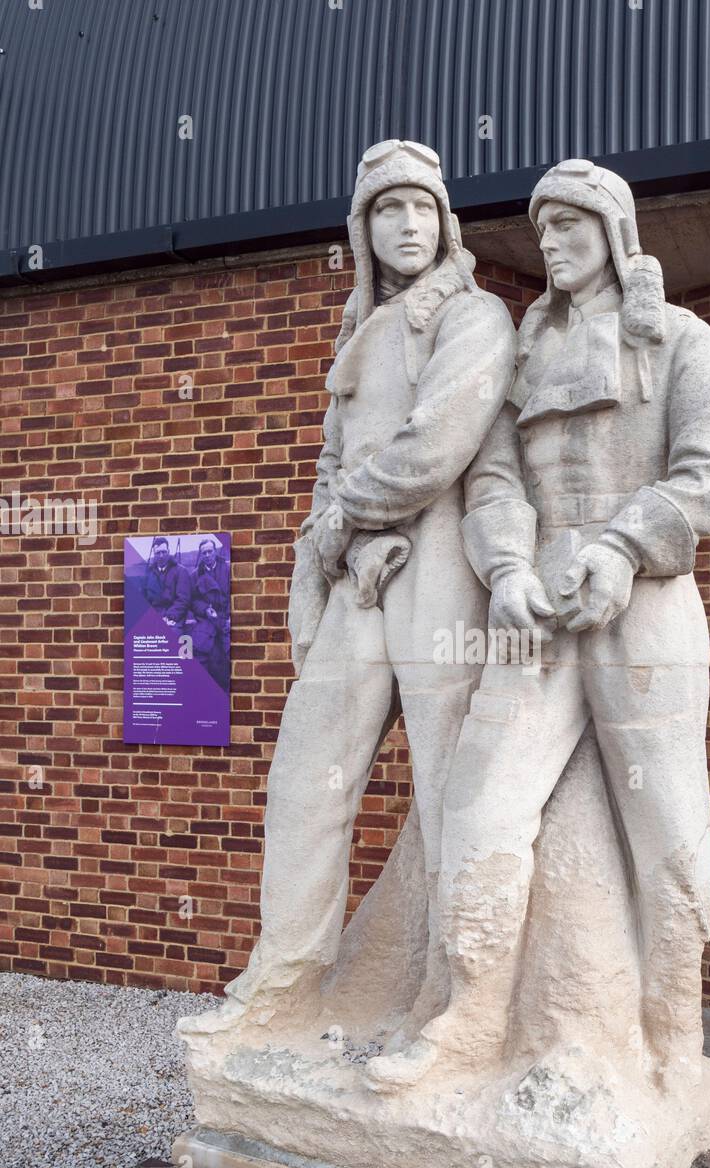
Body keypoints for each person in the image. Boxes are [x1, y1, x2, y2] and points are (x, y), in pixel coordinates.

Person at [367, 158, 710, 1095]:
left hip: (643, 609)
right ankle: (465, 1022)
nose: (553, 247)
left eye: (571, 228)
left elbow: (708, 476)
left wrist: (622, 549)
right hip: (534, 614)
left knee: (664, 822)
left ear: (613, 234)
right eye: (543, 233)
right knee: (480, 805)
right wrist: (501, 569)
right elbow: (494, 479)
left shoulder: (682, 343)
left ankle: (672, 1036)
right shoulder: (525, 358)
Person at [188, 141, 516, 1034]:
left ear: (444, 222)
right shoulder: (358, 327)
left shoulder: (474, 317)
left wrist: (344, 521)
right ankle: (282, 983)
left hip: (441, 572)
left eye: (421, 209)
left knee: (452, 786)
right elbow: (332, 463)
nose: (406, 226)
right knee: (305, 779)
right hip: (358, 584)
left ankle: (457, 1003)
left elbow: (434, 446)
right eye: (386, 210)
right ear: (361, 227)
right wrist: (327, 542)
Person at [188, 537, 231, 690]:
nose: (207, 555)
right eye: (204, 553)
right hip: (207, 620)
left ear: (215, 552)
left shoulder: (227, 570)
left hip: (226, 617)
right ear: (201, 555)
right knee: (201, 650)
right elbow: (193, 601)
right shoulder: (195, 576)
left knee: (228, 651)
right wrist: (205, 609)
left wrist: (231, 616)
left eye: (210, 551)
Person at [143, 537, 191, 627]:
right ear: (154, 554)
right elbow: (144, 599)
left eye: (164, 552)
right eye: (158, 553)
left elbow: (183, 600)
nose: (161, 556)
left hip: (175, 617)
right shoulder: (148, 573)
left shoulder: (181, 571)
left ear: (168, 551)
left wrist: (169, 617)